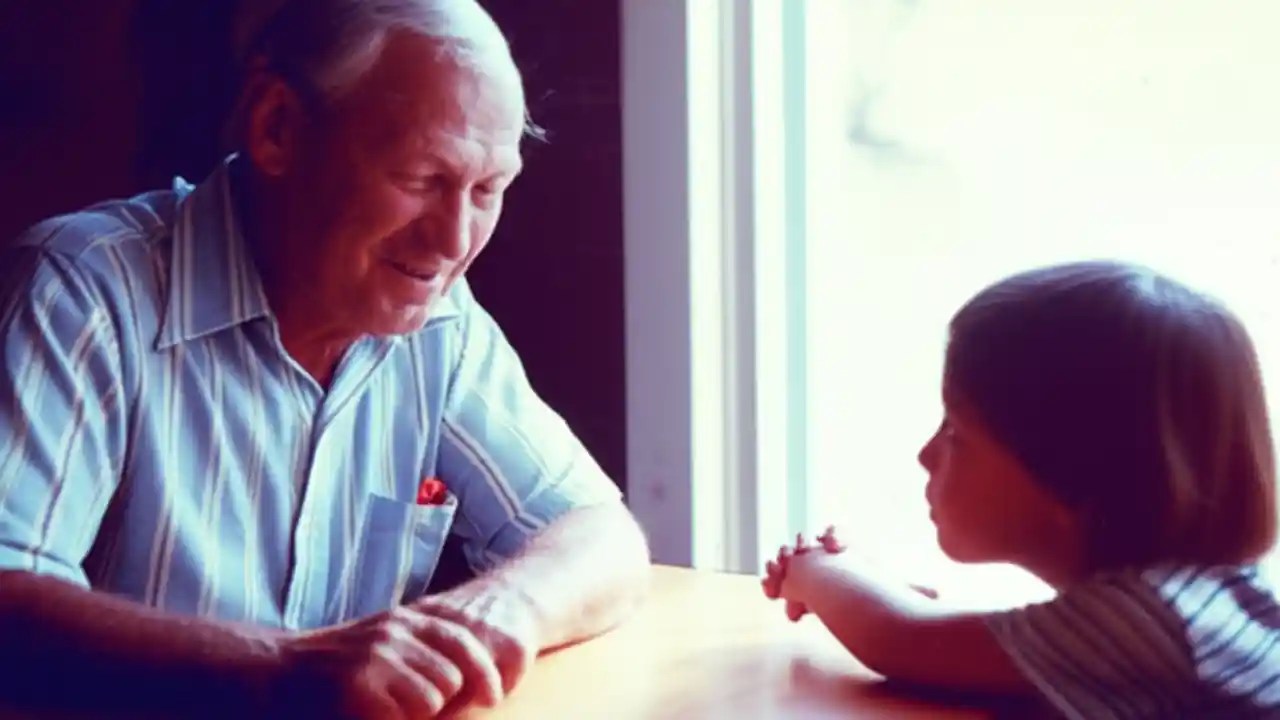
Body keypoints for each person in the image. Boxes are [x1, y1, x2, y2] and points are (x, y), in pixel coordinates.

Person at [0, 1, 649, 717]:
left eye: (488, 190)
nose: (452, 242)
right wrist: (281, 669)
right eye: (422, 178)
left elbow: (597, 534)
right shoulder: (84, 290)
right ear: (277, 127)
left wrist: (495, 612)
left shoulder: (442, 322)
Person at [762, 260, 1280, 718]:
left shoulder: (1147, 622)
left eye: (956, 433)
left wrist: (816, 572)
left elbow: (902, 637)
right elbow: (955, 642)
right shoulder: (1199, 599)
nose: (926, 455)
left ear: (1070, 470)